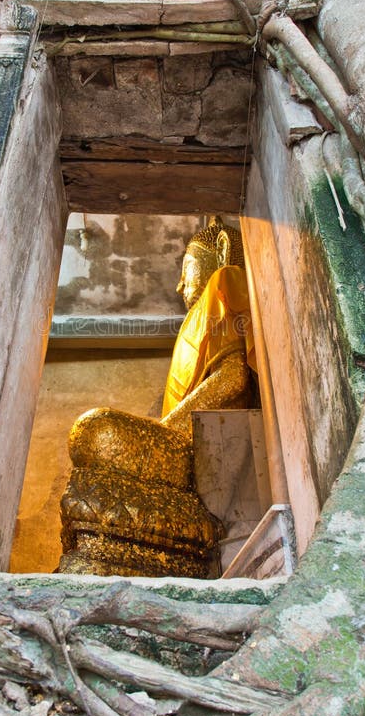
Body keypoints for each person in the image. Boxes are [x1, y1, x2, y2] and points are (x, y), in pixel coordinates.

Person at [59, 216, 257, 577]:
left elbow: (233, 379)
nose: (181, 283)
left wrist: (164, 436)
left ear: (222, 252)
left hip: (194, 447)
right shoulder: (199, 313)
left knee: (94, 430)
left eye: (188, 267)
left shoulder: (224, 283)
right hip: (184, 446)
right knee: (92, 435)